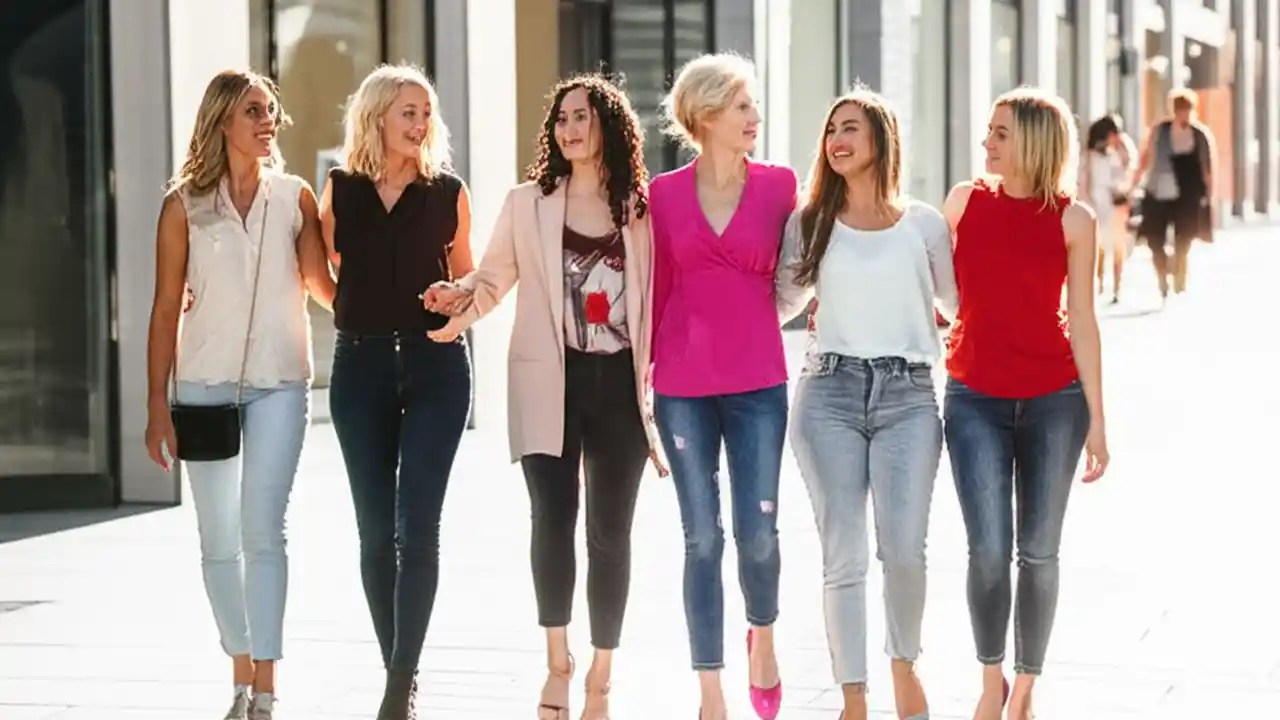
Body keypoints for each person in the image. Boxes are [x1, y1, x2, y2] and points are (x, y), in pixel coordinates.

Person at [424, 74, 663, 720]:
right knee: (550, 522)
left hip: (618, 388)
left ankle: (601, 677)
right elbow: (492, 276)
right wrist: (457, 304)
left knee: (609, 534)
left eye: (581, 116)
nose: (569, 128)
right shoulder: (527, 202)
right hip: (547, 380)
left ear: (607, 125)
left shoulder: (641, 211)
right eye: (561, 119)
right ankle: (558, 662)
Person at [144, 69, 335, 720]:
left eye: (272, 111)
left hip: (280, 384)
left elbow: (325, 287)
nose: (267, 121)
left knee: (264, 533)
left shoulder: (295, 197)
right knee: (217, 541)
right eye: (253, 110)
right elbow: (166, 307)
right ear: (222, 119)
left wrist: (355, 228)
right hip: (202, 385)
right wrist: (154, 406)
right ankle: (239, 669)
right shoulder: (184, 206)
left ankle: (267, 689)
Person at [776, 89, 957, 720]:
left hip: (909, 395)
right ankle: (853, 696)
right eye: (830, 130)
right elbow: (778, 305)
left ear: (881, 138)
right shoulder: (809, 222)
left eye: (849, 127)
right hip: (828, 392)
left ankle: (903, 663)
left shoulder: (925, 224)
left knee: (904, 549)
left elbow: (963, 308)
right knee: (843, 550)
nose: (836, 139)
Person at [941, 88, 1110, 720]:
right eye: (989, 130)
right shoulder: (963, 202)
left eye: (1000, 132)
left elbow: (1086, 323)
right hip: (974, 399)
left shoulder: (1075, 221)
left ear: (1034, 142)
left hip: (1055, 403)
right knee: (987, 549)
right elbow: (935, 286)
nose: (987, 141)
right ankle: (991, 680)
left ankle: (1026, 686)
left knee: (1038, 550)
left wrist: (1098, 419)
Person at [318, 63, 474, 720]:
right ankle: (398, 674)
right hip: (359, 371)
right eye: (408, 111)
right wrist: (359, 318)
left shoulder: (449, 192)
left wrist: (453, 301)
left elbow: (471, 282)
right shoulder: (340, 190)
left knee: (420, 527)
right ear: (378, 114)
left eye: (425, 113)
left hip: (438, 369)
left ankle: (395, 686)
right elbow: (321, 276)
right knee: (375, 535)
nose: (419, 124)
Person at [648, 52, 794, 720]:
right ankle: (711, 692)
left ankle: (761, 634)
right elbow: (657, 290)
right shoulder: (664, 194)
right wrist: (640, 389)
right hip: (682, 385)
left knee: (757, 534)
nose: (753, 118)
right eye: (742, 107)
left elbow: (801, 273)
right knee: (701, 537)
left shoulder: (780, 187)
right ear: (706, 114)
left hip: (759, 382)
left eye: (754, 106)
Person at [1136, 89, 1216, 299]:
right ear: (1174, 110)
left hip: (1188, 194)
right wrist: (1136, 182)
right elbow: (1147, 158)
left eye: (1187, 109)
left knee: (1185, 238)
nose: (1184, 114)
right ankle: (1162, 274)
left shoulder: (1200, 135)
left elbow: (1207, 167)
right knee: (1155, 240)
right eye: (1180, 109)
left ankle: (1180, 272)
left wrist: (1209, 194)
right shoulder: (1160, 131)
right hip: (1159, 190)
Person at [1080, 114, 1137, 303]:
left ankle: (1117, 287)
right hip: (1097, 205)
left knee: (1118, 247)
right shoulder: (1090, 156)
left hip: (1115, 205)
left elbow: (1129, 167)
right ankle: (1099, 283)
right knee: (1100, 248)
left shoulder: (1116, 154)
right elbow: (1085, 182)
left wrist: (1123, 146)